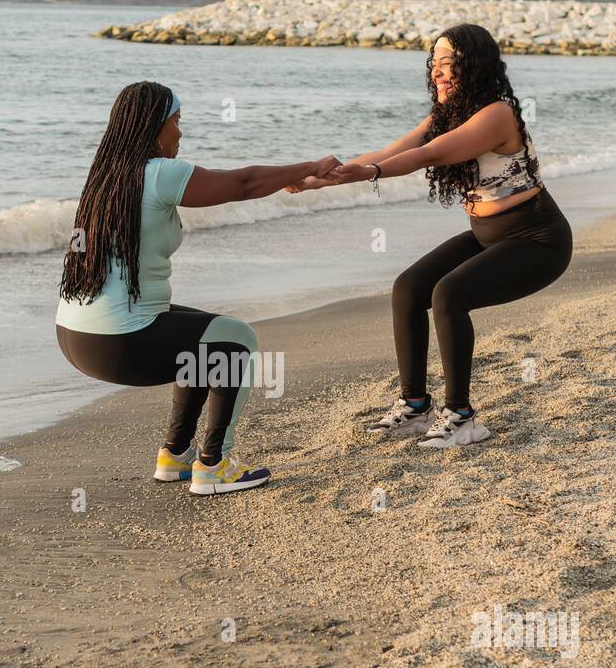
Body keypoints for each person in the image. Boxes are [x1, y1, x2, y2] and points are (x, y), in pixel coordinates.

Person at [289, 24, 573, 449]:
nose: (439, 73)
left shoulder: (497, 113)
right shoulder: (446, 116)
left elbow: (433, 154)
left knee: (449, 294)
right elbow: (392, 150)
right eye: (434, 64)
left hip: (538, 238)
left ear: (474, 67)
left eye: (449, 64)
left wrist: (373, 174)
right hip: (488, 234)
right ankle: (416, 406)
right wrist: (320, 180)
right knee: (409, 288)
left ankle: (462, 417)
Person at [56, 80, 341, 492]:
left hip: (75, 336)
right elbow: (241, 184)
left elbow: (243, 183)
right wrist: (309, 167)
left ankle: (176, 455)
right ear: (154, 125)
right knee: (238, 339)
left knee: (204, 337)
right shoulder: (158, 174)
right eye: (176, 120)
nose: (181, 131)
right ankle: (214, 465)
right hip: (119, 344)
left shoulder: (104, 176)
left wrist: (286, 178)